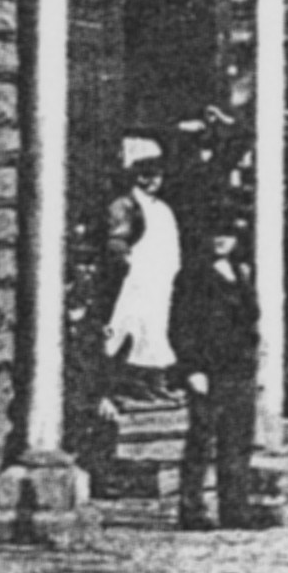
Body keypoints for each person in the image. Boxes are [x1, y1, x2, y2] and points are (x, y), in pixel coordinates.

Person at [166, 214, 260, 531]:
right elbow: (180, 326)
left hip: (239, 368)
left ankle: (235, 509)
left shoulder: (241, 273)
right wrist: (192, 368)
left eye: (228, 234)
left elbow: (250, 318)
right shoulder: (192, 275)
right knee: (201, 441)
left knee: (237, 441)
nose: (222, 240)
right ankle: (191, 509)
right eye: (216, 233)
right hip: (208, 369)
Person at [102, 137, 181, 403]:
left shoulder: (162, 208)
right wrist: (124, 264)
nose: (152, 180)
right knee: (129, 327)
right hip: (136, 281)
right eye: (145, 174)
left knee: (155, 330)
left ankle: (155, 380)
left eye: (157, 174)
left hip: (160, 281)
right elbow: (117, 240)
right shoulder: (125, 205)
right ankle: (127, 382)